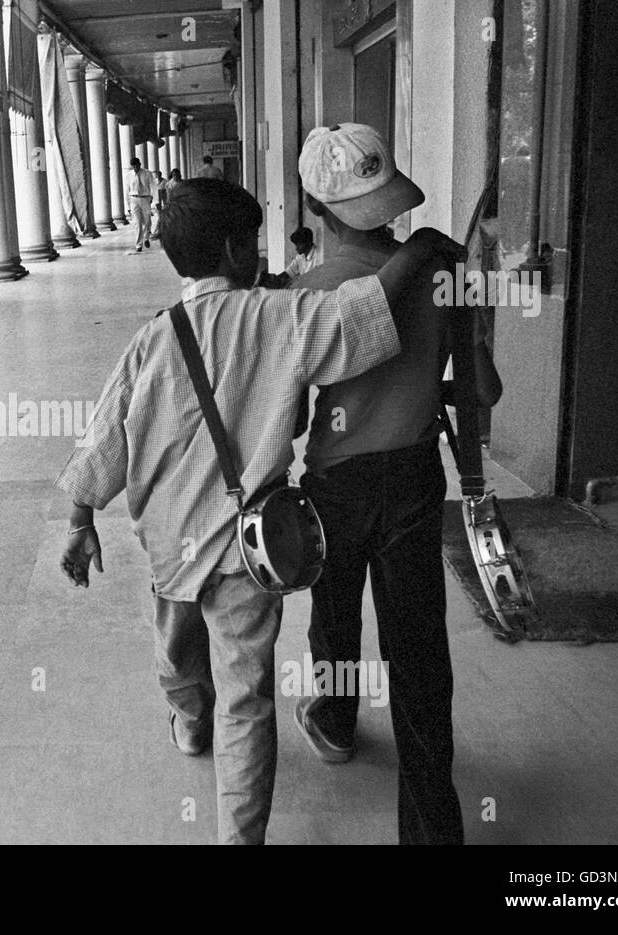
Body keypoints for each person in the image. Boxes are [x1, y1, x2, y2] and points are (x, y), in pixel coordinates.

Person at [55, 176, 466, 844]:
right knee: (246, 703)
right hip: (249, 547)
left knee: (176, 654)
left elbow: (105, 435)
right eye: (250, 242)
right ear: (234, 247)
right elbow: (359, 316)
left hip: (168, 543)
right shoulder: (283, 318)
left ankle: (189, 717)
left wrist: (80, 520)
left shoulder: (153, 337)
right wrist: (416, 251)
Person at [287, 122, 501, 845]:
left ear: (314, 211)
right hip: (413, 476)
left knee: (334, 613)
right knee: (418, 653)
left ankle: (336, 720)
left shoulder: (308, 289)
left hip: (335, 481)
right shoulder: (442, 275)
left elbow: (287, 414)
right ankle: (435, 830)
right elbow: (486, 392)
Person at [124, 156, 154, 252]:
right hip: (134, 199)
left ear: (139, 165)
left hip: (145, 198)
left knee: (147, 220)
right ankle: (138, 245)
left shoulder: (147, 173)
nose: (135, 168)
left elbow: (153, 186)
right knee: (137, 222)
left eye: (137, 166)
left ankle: (146, 238)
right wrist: (128, 205)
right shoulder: (128, 175)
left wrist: (152, 197)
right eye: (133, 166)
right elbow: (127, 190)